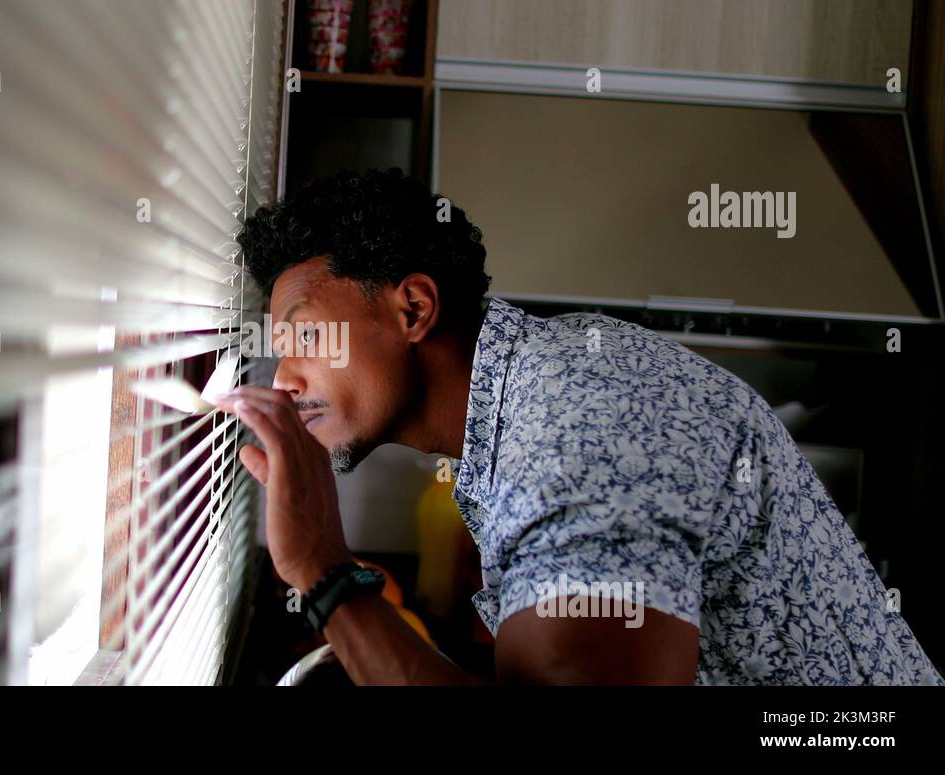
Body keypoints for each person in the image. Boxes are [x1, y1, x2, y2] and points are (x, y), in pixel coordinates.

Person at [212, 167, 942, 686]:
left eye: (306, 336)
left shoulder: (574, 427)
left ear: (413, 309)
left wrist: (323, 570)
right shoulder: (535, 397)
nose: (285, 379)